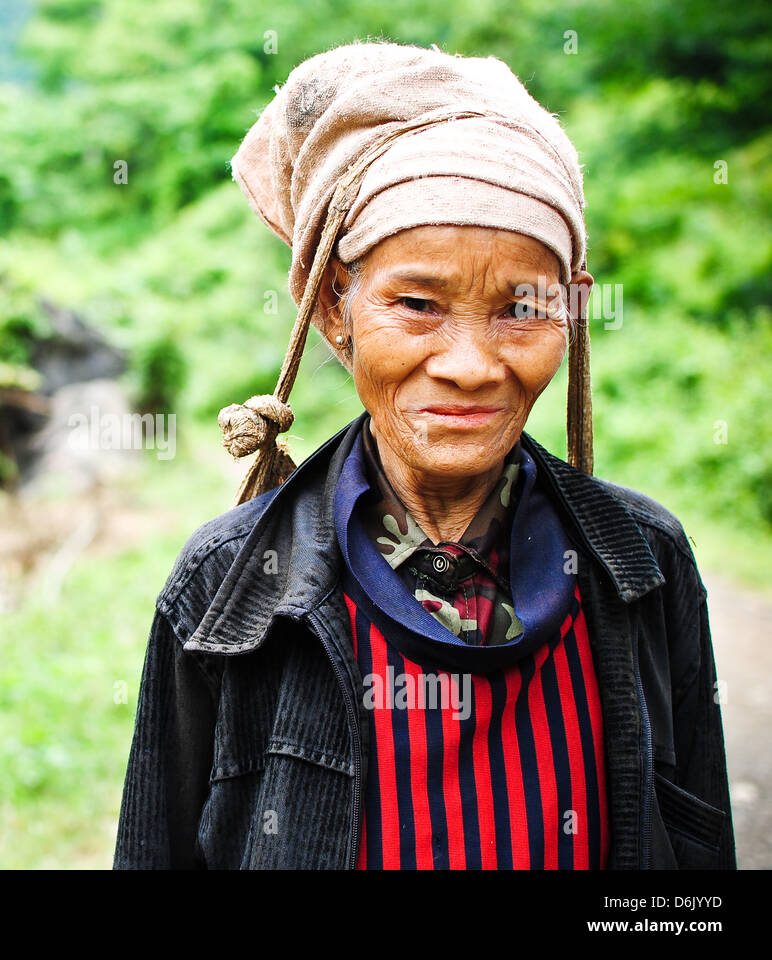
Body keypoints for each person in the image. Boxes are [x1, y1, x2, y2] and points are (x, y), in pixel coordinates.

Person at [113, 41, 736, 869]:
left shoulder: (642, 565)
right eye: (417, 303)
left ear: (574, 312)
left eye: (523, 308)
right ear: (334, 306)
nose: (473, 364)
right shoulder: (224, 585)